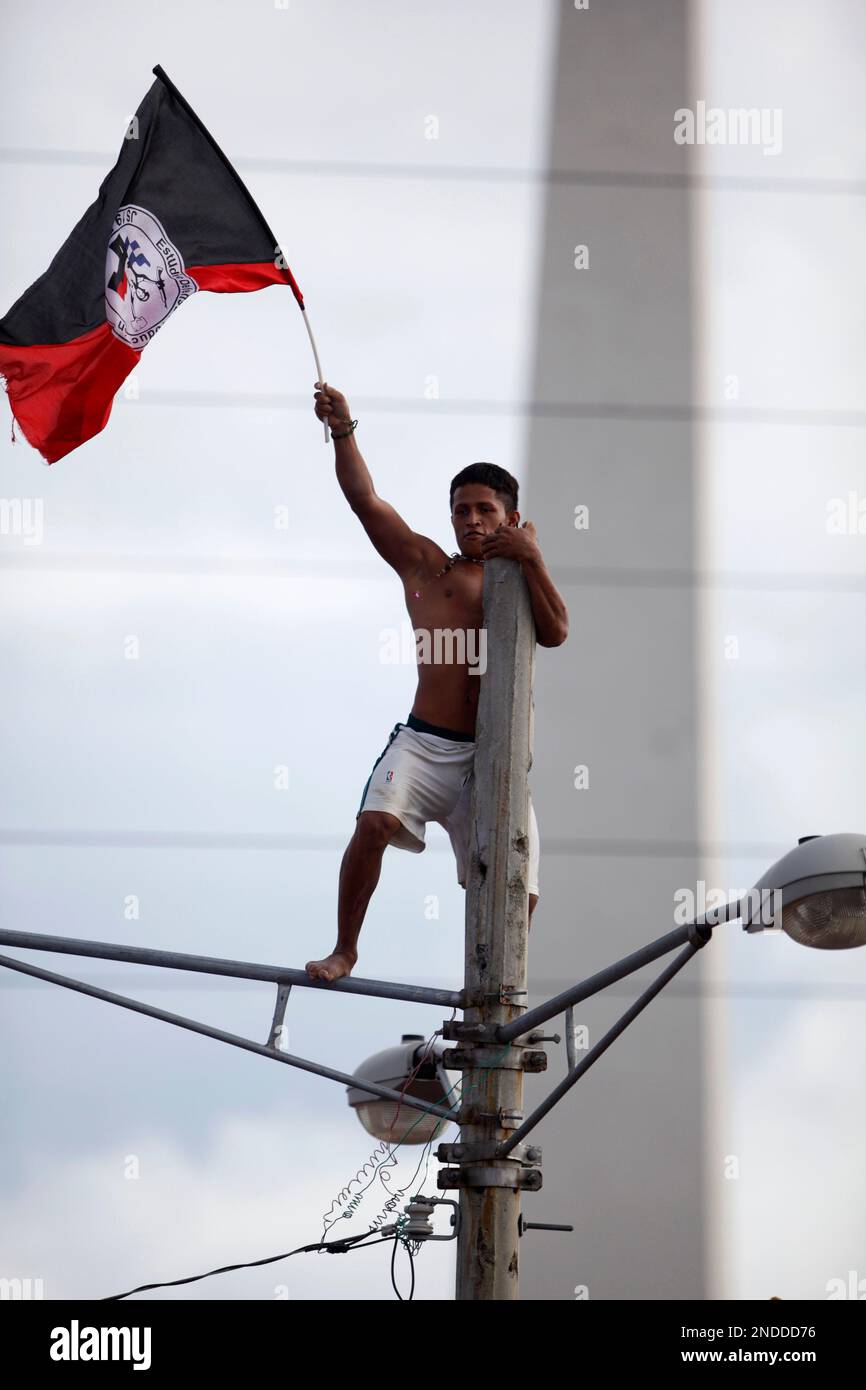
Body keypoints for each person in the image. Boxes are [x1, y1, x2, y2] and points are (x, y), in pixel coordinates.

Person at [305, 382, 569, 982]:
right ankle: (345, 949)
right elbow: (366, 500)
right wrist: (344, 428)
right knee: (373, 826)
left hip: (493, 757)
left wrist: (532, 559)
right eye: (462, 510)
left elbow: (556, 633)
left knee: (520, 885)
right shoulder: (428, 566)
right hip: (426, 744)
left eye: (486, 511)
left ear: (513, 518)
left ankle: (494, 985)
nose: (472, 521)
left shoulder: (522, 583)